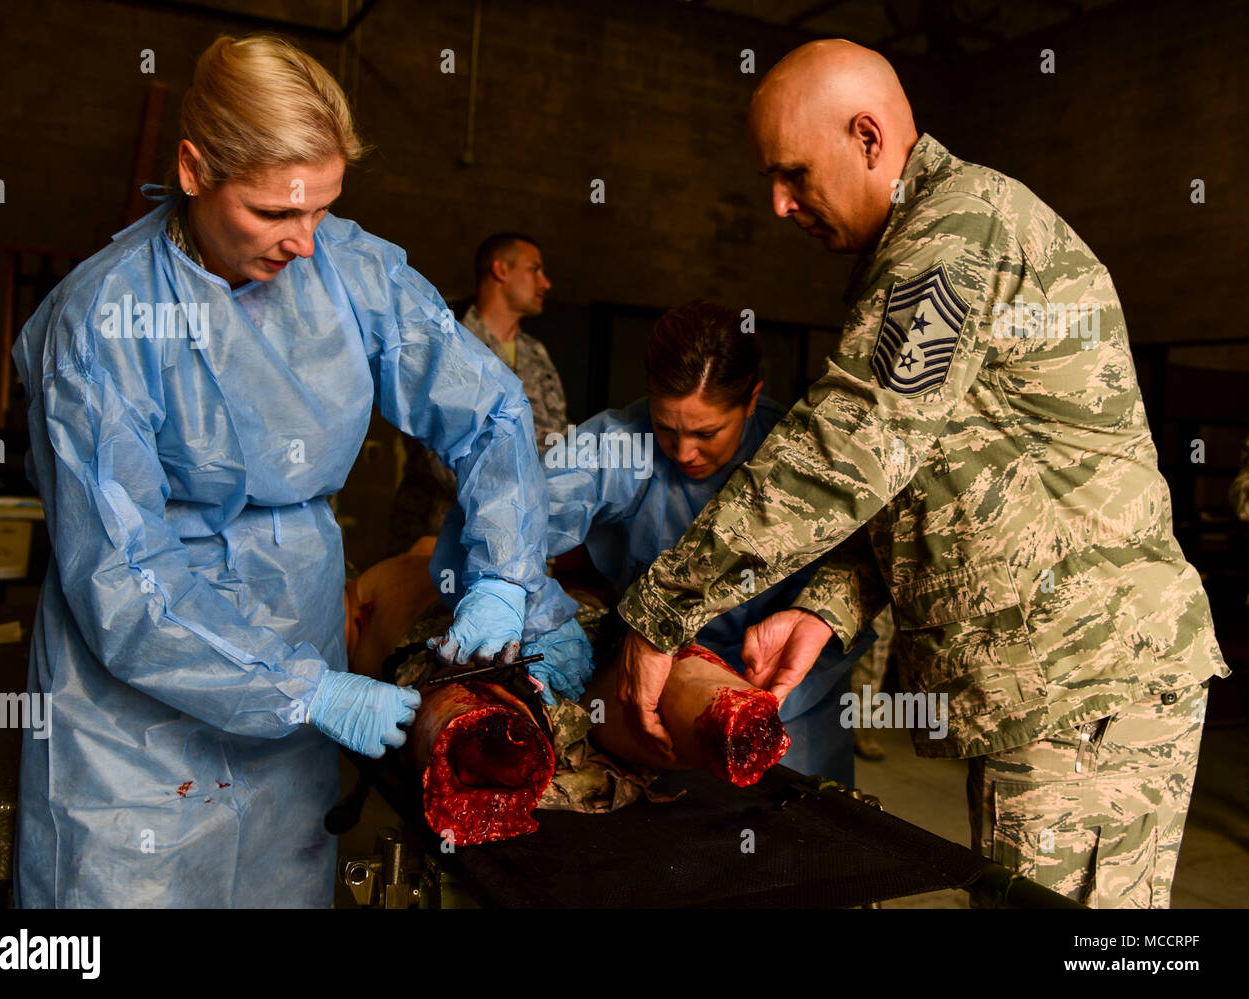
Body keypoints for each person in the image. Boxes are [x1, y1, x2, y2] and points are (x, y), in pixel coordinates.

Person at [612, 39, 1229, 908]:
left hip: (1088, 684)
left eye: (793, 174)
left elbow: (852, 442)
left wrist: (662, 607)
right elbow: (922, 477)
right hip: (1053, 688)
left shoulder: (957, 227)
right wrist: (824, 609)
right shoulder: (925, 242)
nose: (780, 204)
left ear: (868, 137)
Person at [10, 35, 550, 908]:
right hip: (133, 723)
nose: (304, 243)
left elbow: (487, 408)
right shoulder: (103, 321)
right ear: (193, 169)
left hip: (299, 640)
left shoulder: (349, 266)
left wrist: (504, 574)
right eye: (272, 213)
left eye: (321, 208)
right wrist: (303, 689)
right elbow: (125, 580)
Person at [431, 300, 872, 782]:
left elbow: (850, 583)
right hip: (652, 672)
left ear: (750, 400)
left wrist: (757, 697)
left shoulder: (807, 465)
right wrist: (535, 617)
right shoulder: (621, 445)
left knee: (798, 830)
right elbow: (497, 523)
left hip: (793, 695)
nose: (684, 453)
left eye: (707, 433)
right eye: (667, 427)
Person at [388, 233, 568, 552]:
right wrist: (517, 499)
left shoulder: (536, 354)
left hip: (519, 538)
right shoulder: (449, 343)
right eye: (534, 269)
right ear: (500, 270)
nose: (546, 283)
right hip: (440, 537)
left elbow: (556, 439)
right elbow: (441, 455)